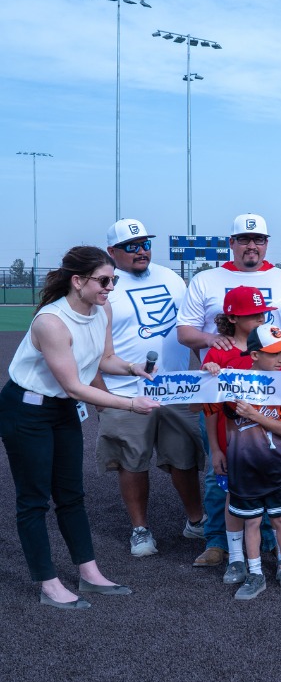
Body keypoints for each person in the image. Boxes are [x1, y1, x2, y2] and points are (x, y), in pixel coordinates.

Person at [1, 246, 159, 609]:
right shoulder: (50, 322)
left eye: (113, 280)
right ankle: (48, 582)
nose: (110, 288)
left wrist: (133, 368)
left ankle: (89, 574)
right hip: (27, 410)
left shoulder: (102, 308)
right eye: (104, 281)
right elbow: (74, 385)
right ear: (78, 281)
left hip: (61, 410)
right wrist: (132, 404)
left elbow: (104, 360)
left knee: (71, 494)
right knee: (34, 499)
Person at [176, 213, 281, 567]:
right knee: (217, 472)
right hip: (226, 410)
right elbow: (186, 332)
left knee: (271, 466)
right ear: (232, 242)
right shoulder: (207, 280)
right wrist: (210, 345)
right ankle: (217, 541)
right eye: (244, 238)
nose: (252, 245)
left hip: (272, 400)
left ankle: (271, 538)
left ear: (267, 242)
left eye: (259, 239)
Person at [96, 219, 205, 557]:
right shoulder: (103, 285)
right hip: (125, 391)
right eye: (131, 246)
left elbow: (192, 325)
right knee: (132, 462)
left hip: (175, 388)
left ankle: (196, 521)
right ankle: (140, 529)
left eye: (144, 244)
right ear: (112, 252)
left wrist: (201, 374)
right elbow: (87, 348)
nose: (140, 250)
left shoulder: (170, 277)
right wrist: (102, 397)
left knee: (184, 458)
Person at [203, 325, 281, 600]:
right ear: (254, 356)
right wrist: (211, 374)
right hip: (244, 468)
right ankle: (255, 572)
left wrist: (253, 414)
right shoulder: (232, 383)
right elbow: (207, 406)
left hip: (276, 468)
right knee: (250, 523)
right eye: (274, 353)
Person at [201, 286, 281, 584]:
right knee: (229, 498)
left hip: (266, 443)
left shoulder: (274, 348)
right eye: (253, 315)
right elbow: (209, 409)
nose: (260, 318)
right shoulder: (218, 352)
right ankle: (232, 555)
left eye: (263, 312)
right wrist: (215, 449)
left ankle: (272, 548)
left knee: (266, 501)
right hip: (233, 443)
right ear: (233, 318)